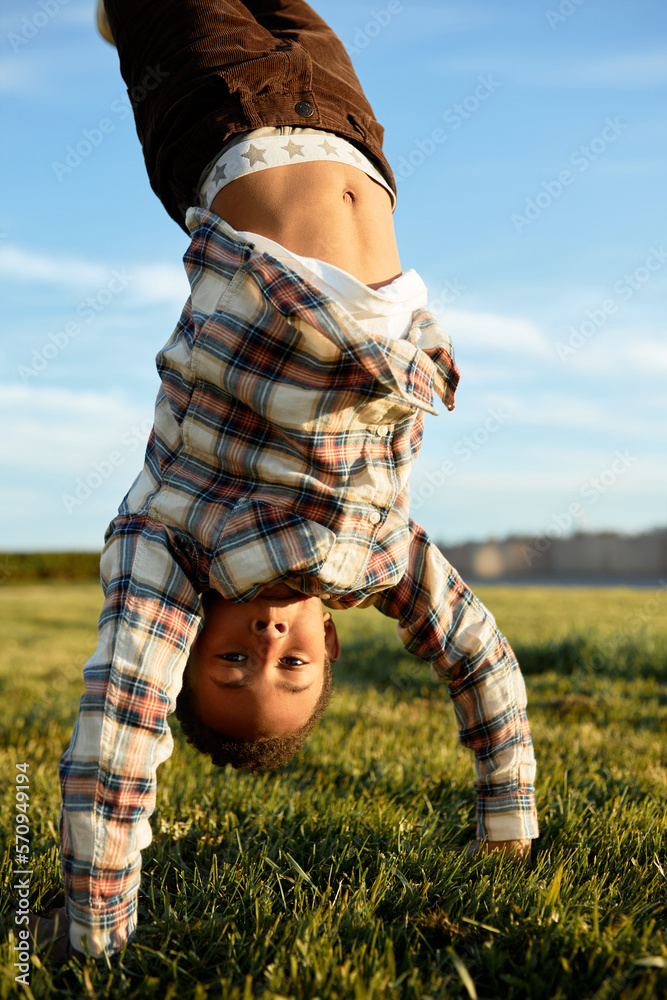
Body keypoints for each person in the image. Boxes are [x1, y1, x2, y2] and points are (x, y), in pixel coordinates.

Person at [33, 0, 539, 961]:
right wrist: (505, 826)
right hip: (348, 129)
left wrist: (95, 932)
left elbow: (117, 742)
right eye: (291, 669)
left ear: (188, 644)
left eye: (231, 664)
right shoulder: (383, 556)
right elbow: (482, 666)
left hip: (220, 117)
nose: (266, 646)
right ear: (328, 643)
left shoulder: (171, 544)